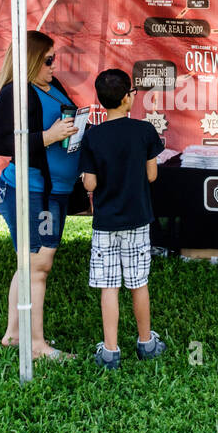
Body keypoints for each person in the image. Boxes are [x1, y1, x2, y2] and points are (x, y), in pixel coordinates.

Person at [0, 31, 80, 361]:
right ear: (31, 60)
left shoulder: (52, 88)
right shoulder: (15, 93)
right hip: (31, 190)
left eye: (55, 58)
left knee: (31, 265)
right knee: (37, 266)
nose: (54, 65)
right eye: (49, 59)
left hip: (55, 191)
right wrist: (49, 136)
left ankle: (15, 334)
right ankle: (35, 344)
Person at [78, 69, 166, 369]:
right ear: (128, 98)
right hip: (138, 220)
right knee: (139, 283)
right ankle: (146, 342)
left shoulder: (93, 136)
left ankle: (111, 351)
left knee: (109, 287)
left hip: (105, 223)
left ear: (101, 101)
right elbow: (152, 175)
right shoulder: (144, 132)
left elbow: (89, 184)